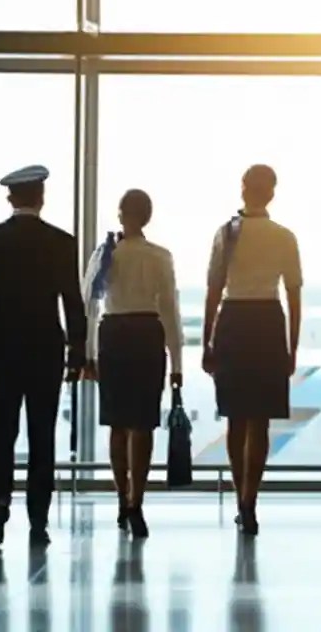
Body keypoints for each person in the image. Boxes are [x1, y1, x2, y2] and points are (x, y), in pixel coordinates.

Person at [0, 164, 87, 548]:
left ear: (10, 198)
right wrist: (77, 352)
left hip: (0, 351)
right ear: (42, 197)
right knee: (41, 436)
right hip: (45, 351)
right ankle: (38, 520)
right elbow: (72, 302)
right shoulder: (61, 243)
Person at [201, 164, 301, 536]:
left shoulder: (225, 234)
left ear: (242, 189)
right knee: (260, 420)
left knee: (235, 417)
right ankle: (250, 500)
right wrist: (292, 346)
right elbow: (293, 294)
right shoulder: (284, 237)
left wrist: (208, 339)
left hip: (234, 321)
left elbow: (214, 290)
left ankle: (239, 497)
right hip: (268, 323)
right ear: (272, 192)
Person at [82, 189, 183, 539]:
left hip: (113, 335)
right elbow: (170, 309)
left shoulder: (105, 254)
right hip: (146, 336)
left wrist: (88, 353)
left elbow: (90, 306)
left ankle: (121, 498)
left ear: (121, 213)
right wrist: (177, 362)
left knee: (117, 424)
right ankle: (136, 501)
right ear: (149, 216)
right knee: (142, 425)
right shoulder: (160, 257)